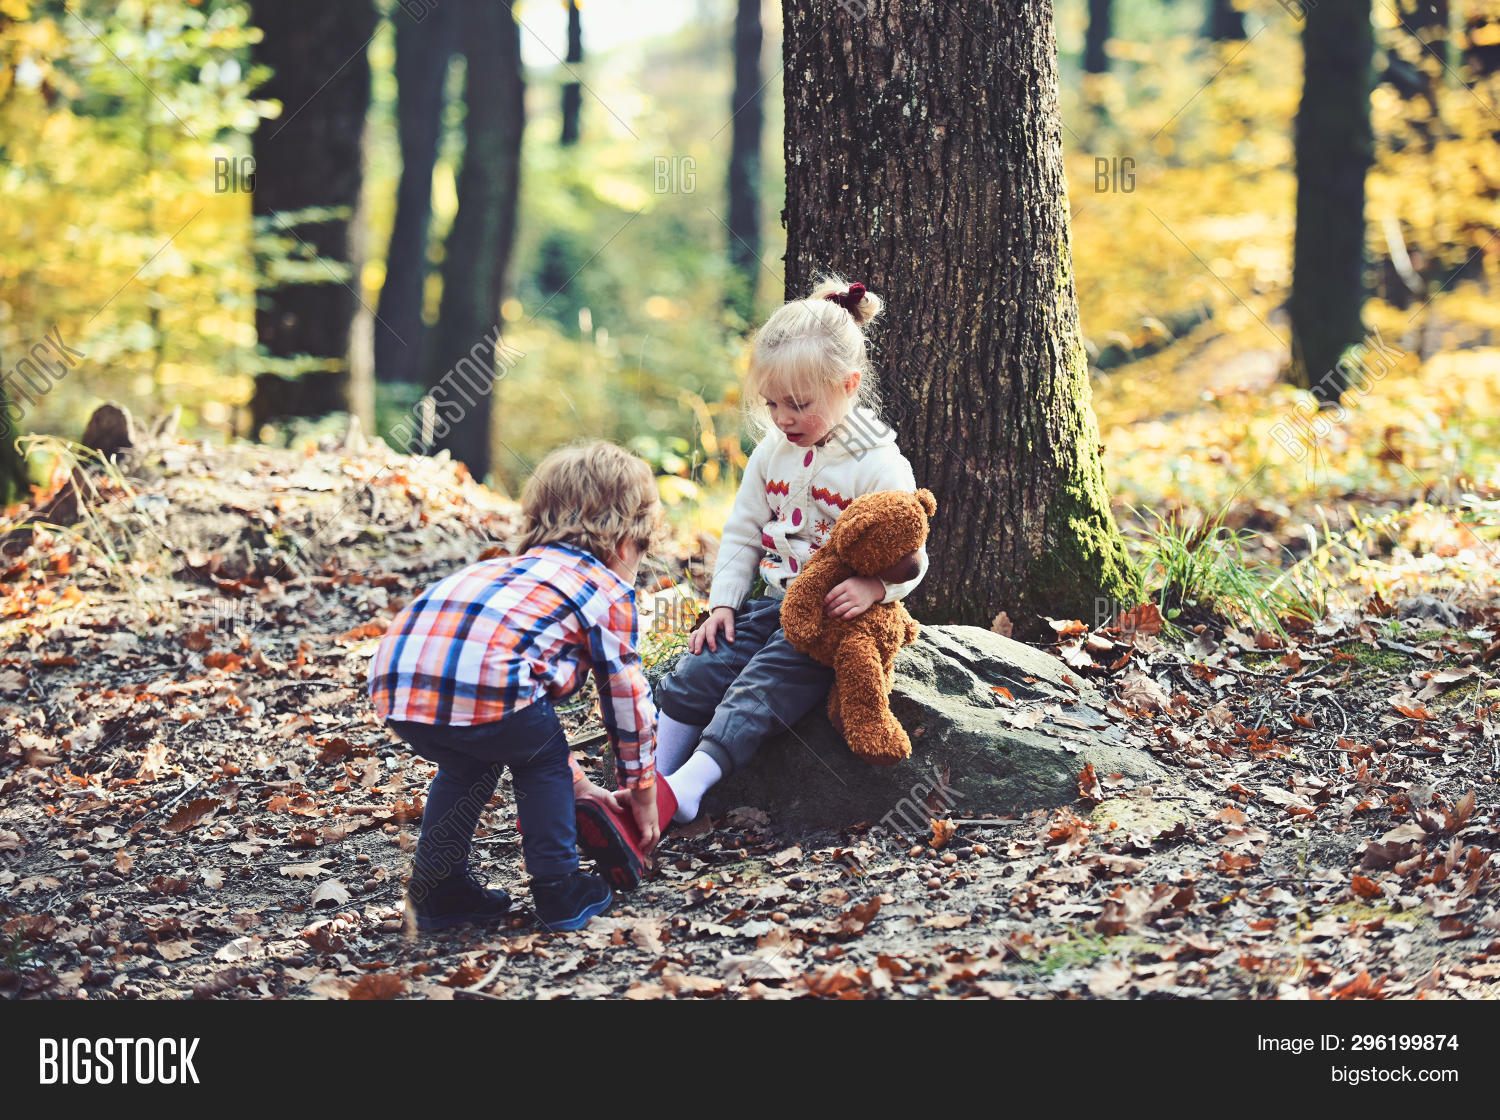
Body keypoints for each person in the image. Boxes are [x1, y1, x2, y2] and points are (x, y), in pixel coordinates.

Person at [655, 277, 929, 822]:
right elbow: (743, 531)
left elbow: (912, 553)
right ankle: (652, 778)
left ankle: (687, 788)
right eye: (772, 403)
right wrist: (724, 604)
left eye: (799, 405)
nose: (782, 418)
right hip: (773, 604)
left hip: (830, 621)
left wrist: (875, 587)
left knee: (761, 687)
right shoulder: (771, 453)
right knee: (702, 667)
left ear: (849, 385)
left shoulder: (877, 463)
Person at [367, 440, 663, 932]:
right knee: (540, 759)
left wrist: (581, 786)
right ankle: (559, 887)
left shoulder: (505, 570)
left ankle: (438, 889)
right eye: (643, 550)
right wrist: (641, 786)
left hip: (397, 680)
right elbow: (625, 695)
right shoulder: (606, 588)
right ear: (626, 541)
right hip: (486, 683)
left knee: (469, 762)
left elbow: (515, 722)